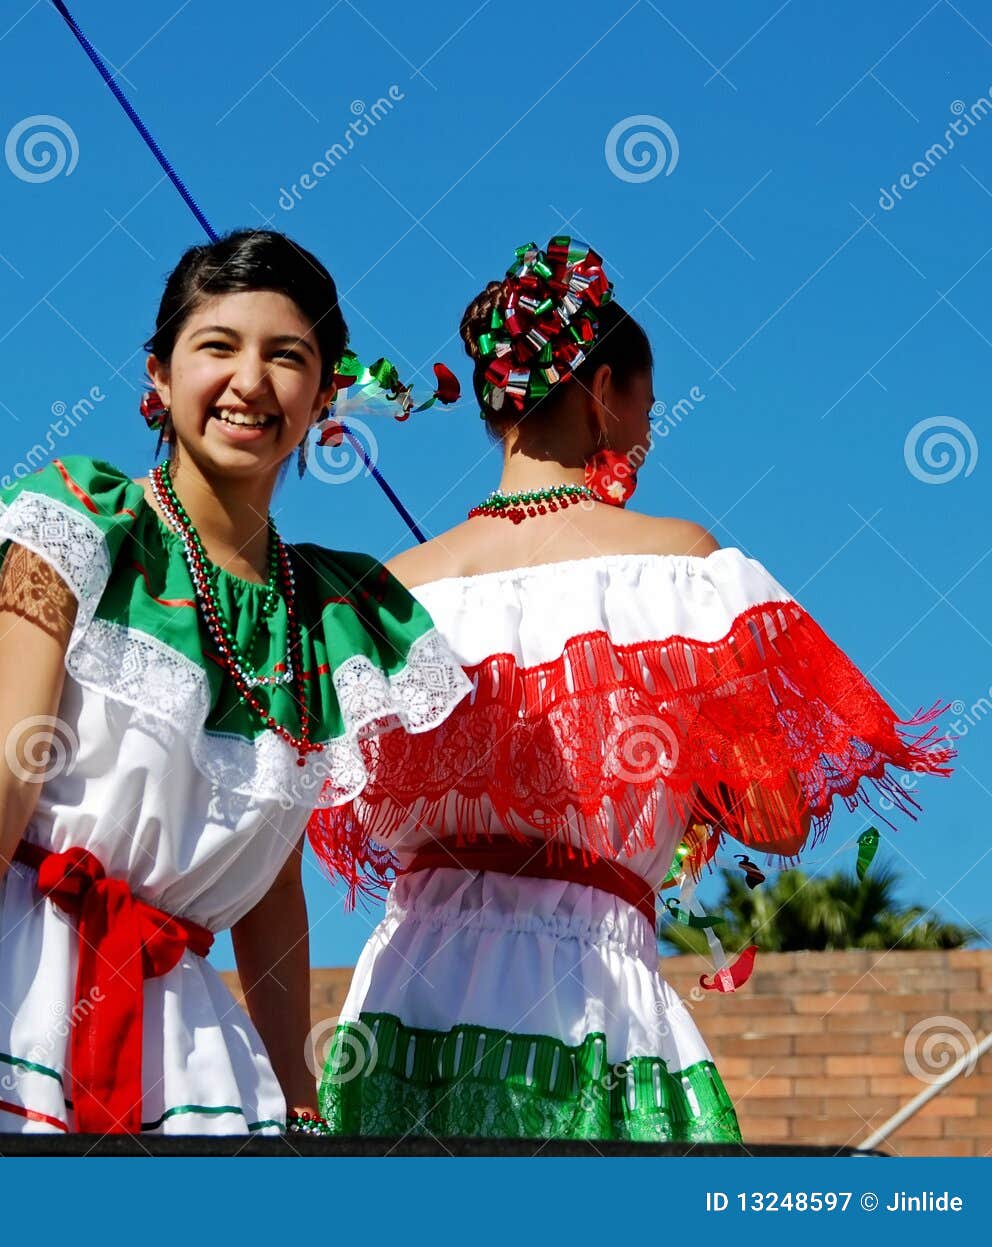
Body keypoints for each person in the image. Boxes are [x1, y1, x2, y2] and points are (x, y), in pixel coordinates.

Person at [0, 229, 471, 1136]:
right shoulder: (81, 519)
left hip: (187, 1036)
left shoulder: (335, 613)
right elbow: (5, 762)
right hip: (9, 980)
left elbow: (273, 886)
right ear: (160, 376)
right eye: (218, 346)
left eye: (288, 357)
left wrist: (300, 1096)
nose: (251, 381)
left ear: (326, 396)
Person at [307, 237, 955, 1141]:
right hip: (583, 986)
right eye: (645, 406)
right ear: (600, 392)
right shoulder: (681, 569)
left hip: (407, 991)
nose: (644, 433)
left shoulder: (391, 590)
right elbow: (774, 816)